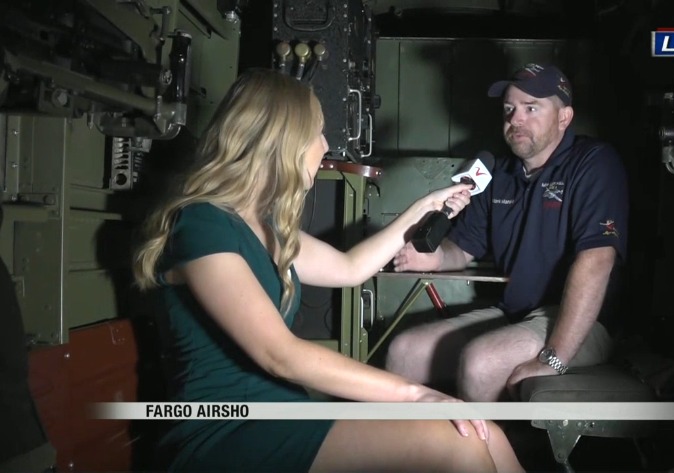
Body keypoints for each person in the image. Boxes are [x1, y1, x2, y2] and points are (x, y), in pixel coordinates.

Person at [132, 69, 523, 473]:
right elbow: (279, 354)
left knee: (486, 434)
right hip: (227, 433)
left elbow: (350, 268)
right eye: (317, 133)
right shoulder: (202, 224)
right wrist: (417, 395)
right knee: (457, 443)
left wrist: (425, 207)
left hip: (285, 415)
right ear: (280, 140)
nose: (325, 145)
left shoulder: (267, 228)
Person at [386, 63, 629, 402]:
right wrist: (436, 257)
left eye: (531, 108)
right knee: (405, 352)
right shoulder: (500, 173)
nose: (516, 119)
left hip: (583, 322)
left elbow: (597, 261)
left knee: (482, 363)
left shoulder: (593, 163)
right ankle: (418, 439)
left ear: (564, 117)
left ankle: (487, 440)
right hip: (516, 311)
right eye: (509, 108)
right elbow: (464, 248)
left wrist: (554, 357)